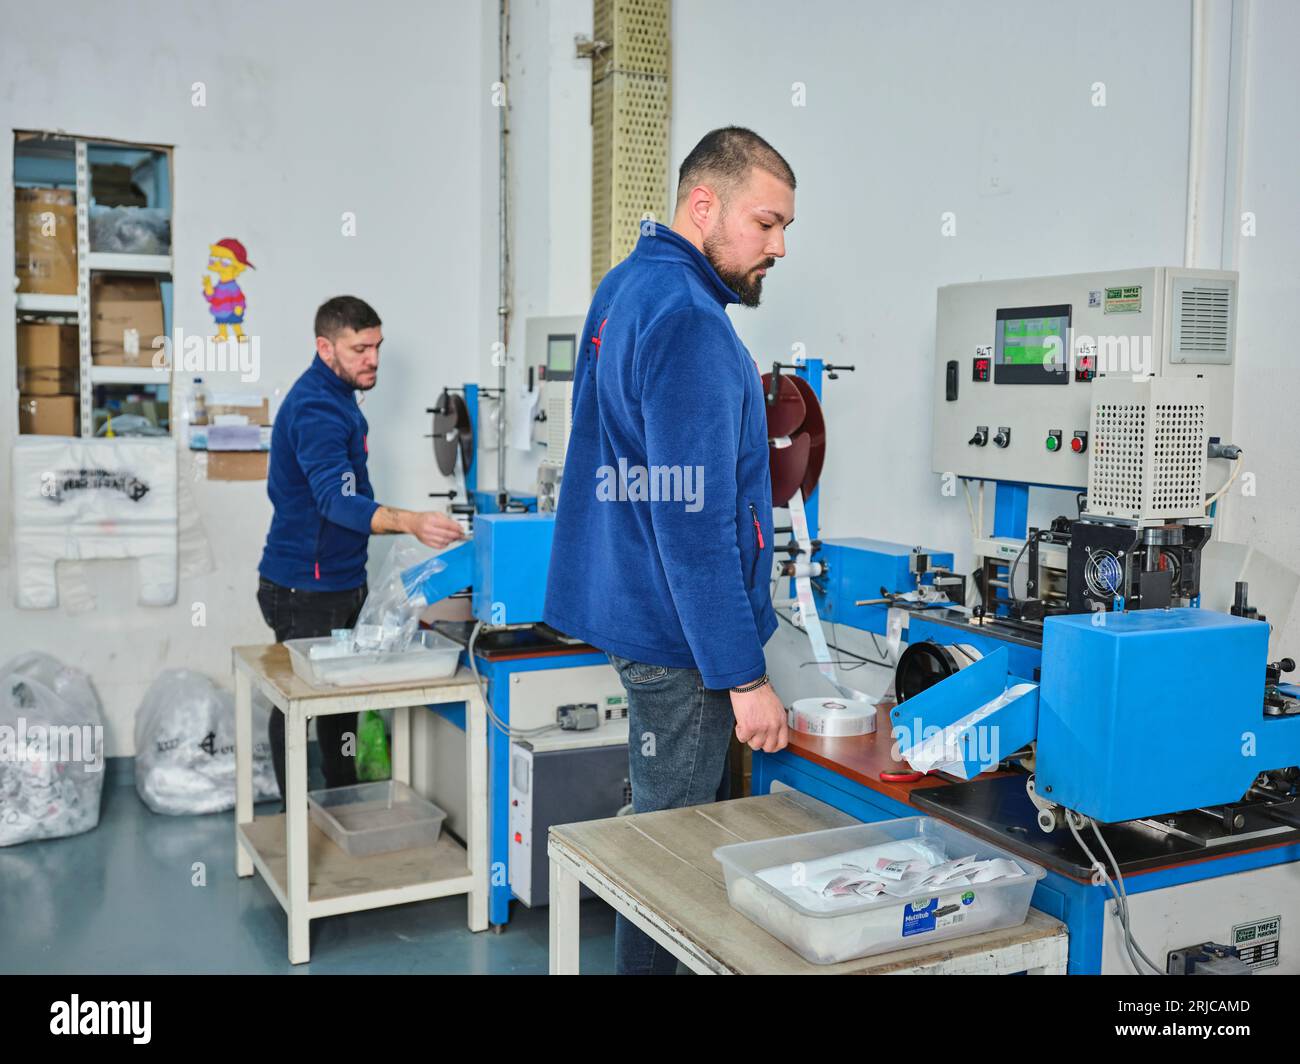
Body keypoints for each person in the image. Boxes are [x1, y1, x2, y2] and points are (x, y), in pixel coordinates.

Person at [543, 127, 796, 974]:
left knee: (663, 835)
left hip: (642, 618)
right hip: (682, 646)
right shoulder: (689, 320)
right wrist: (745, 675)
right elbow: (690, 526)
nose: (778, 247)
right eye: (765, 224)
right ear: (703, 205)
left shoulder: (625, 288)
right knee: (674, 859)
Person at [257, 295, 464, 800]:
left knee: (341, 705)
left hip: (342, 580)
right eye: (359, 349)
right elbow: (337, 502)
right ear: (324, 348)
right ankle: (297, 821)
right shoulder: (316, 408)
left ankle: (342, 804)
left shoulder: (340, 395)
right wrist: (411, 521)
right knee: (301, 704)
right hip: (303, 587)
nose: (372, 359)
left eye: (377, 346)